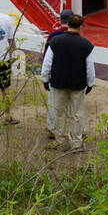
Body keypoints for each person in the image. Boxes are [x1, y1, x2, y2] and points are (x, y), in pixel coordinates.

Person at [41, 13, 95, 152]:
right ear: (80, 27)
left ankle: (60, 141)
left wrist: (45, 79)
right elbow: (89, 68)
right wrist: (90, 83)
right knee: (77, 114)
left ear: (67, 25)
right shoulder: (86, 45)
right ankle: (76, 143)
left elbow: (47, 63)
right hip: (77, 84)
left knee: (58, 112)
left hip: (58, 82)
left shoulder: (55, 41)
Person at [44, 9, 76, 140]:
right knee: (74, 106)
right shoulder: (77, 37)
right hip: (74, 76)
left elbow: (47, 58)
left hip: (56, 75)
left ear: (60, 20)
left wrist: (45, 77)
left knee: (54, 104)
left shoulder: (53, 36)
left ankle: (52, 129)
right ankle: (76, 132)